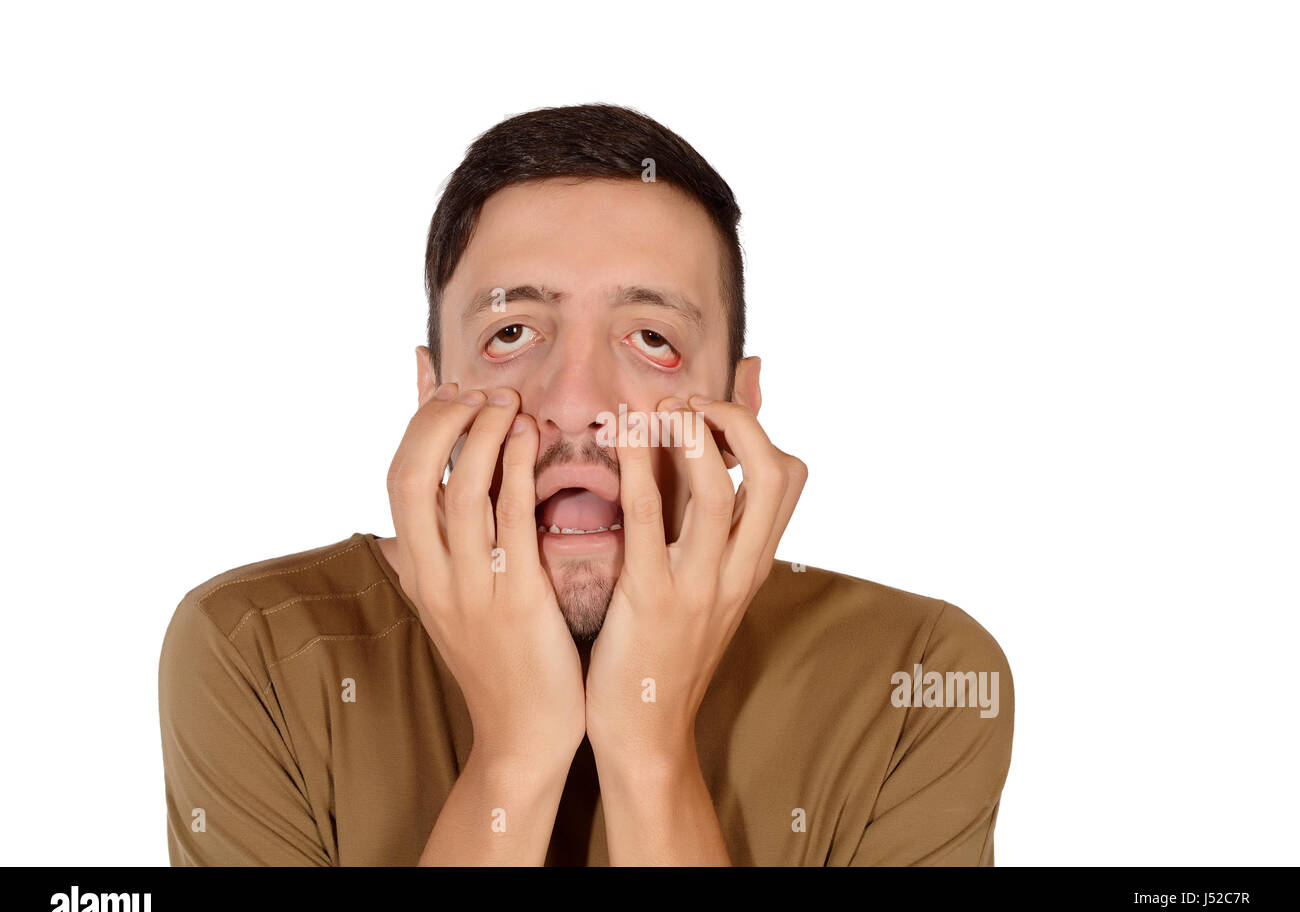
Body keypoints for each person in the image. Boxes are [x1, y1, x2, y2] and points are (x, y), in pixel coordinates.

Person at [158, 104, 1014, 866]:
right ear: (431, 394)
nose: (577, 400)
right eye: (513, 330)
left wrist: (650, 753)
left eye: (650, 336)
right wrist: (517, 751)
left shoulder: (918, 681)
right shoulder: (259, 652)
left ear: (737, 405)